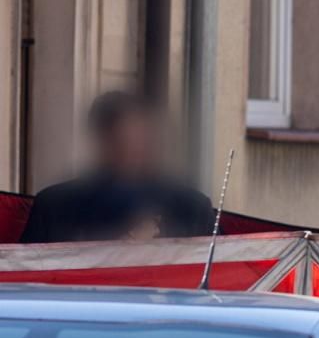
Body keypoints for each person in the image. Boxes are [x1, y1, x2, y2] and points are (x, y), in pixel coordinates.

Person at [18, 92, 212, 244]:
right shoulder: (54, 207)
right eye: (124, 143)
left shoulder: (192, 209)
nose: (136, 153)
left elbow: (222, 276)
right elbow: (30, 279)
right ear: (101, 142)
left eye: (144, 141)